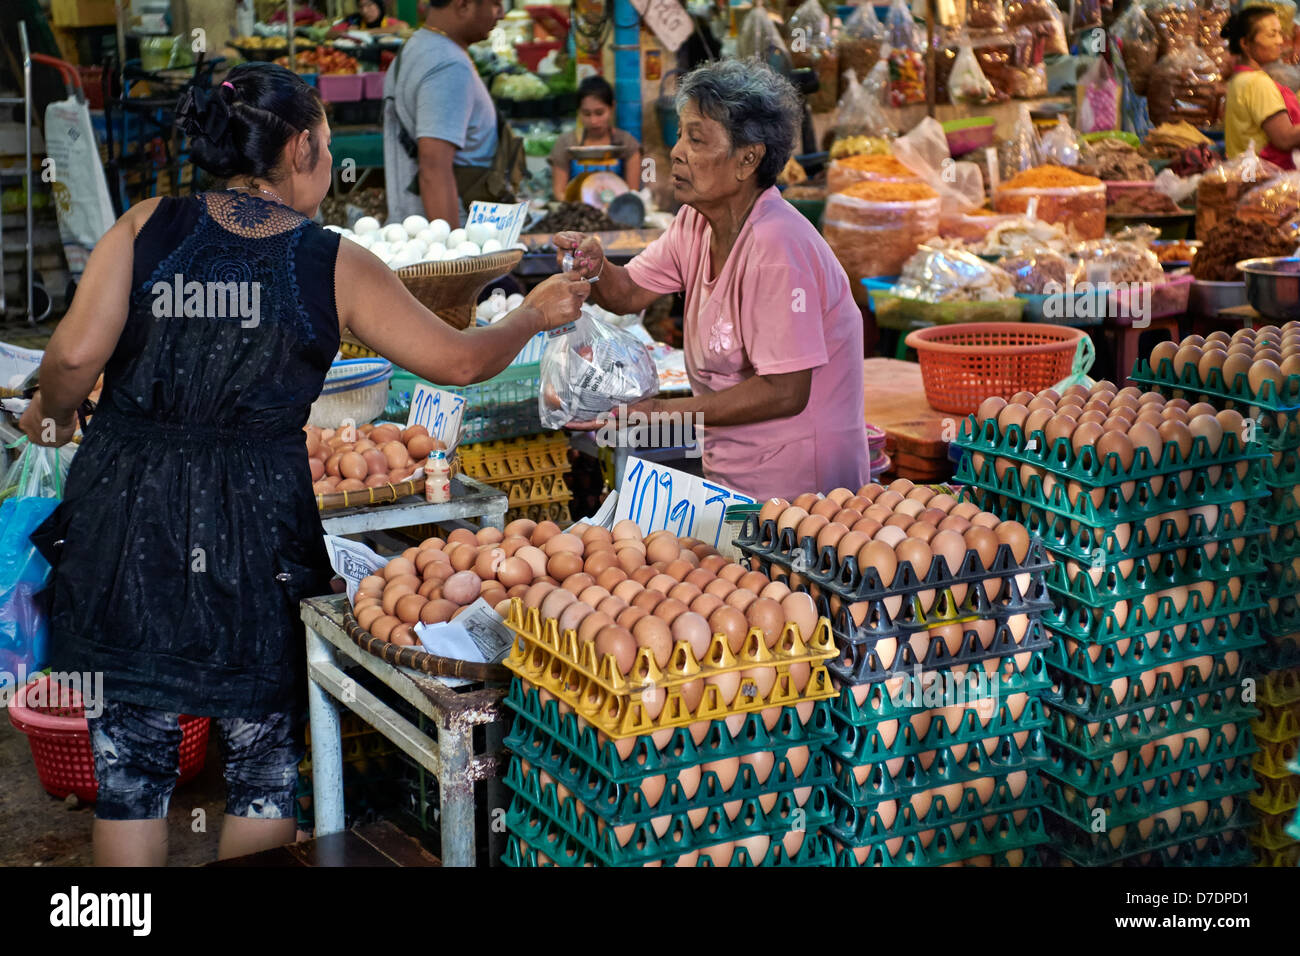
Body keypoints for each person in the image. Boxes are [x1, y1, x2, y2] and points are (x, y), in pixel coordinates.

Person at [18, 63, 589, 867]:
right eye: (322, 139)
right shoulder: (330, 260)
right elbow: (458, 362)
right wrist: (532, 313)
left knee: (132, 768)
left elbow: (73, 355)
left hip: (126, 507)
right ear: (301, 147)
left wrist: (51, 411)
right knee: (258, 765)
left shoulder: (148, 223)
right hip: (252, 517)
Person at [554, 59, 870, 501]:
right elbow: (627, 293)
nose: (678, 151)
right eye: (680, 134)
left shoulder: (777, 247)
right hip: (731, 468)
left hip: (802, 488)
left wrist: (660, 414)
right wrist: (598, 267)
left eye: (696, 138)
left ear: (747, 159)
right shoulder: (695, 223)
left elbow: (784, 392)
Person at [383, 0, 519, 226]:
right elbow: (434, 168)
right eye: (495, 4)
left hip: (418, 224)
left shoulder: (416, 47)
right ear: (463, 5)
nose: (502, 14)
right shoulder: (447, 65)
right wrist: (453, 250)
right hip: (458, 230)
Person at [1224, 7, 1300, 169]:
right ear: (1245, 43)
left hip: (1245, 176)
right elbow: (1284, 138)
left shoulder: (1238, 80)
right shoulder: (1258, 83)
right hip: (1267, 179)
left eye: (1280, 33)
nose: (1280, 41)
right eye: (1272, 35)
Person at [549, 76, 642, 198]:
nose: (593, 121)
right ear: (579, 112)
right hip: (575, 212)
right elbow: (559, 193)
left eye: (599, 113)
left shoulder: (627, 143)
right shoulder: (565, 143)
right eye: (586, 114)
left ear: (612, 107)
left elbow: (632, 194)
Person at [337, 0, 402, 32]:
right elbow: (329, 34)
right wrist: (346, 32)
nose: (364, 11)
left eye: (369, 5)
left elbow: (403, 26)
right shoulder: (354, 20)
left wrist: (363, 32)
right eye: (360, 7)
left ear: (379, 5)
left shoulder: (388, 21)